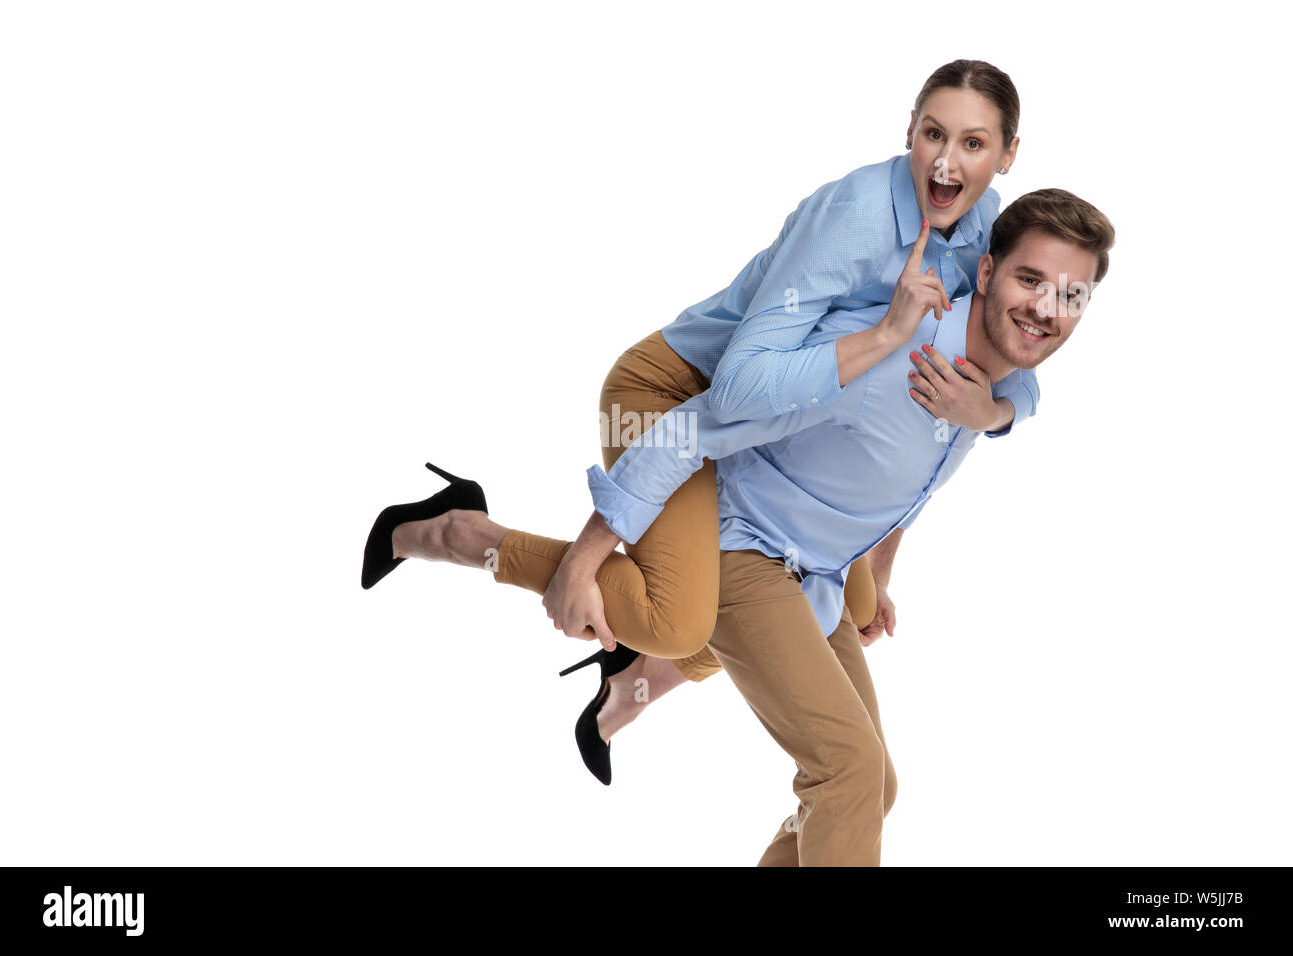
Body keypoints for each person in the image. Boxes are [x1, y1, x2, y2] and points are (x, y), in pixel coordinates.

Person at [380, 188, 1115, 864]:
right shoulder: (890, 359)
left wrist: (988, 421)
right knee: (846, 769)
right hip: (743, 551)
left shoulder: (998, 383)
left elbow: (991, 416)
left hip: (816, 572)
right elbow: (689, 428)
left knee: (871, 787)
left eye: (1071, 296)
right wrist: (582, 559)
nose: (1047, 310)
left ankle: (612, 657)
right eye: (1030, 281)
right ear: (984, 273)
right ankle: (461, 536)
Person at [364, 59, 1033, 784]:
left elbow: (1007, 355)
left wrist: (992, 409)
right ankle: (460, 533)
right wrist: (882, 337)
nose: (945, 161)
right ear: (908, 129)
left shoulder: (983, 223)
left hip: (771, 430)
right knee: (684, 615)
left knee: (844, 599)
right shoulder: (858, 219)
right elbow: (737, 392)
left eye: (973, 144)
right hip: (672, 393)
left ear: (1007, 154)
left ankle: (634, 681)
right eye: (933, 134)